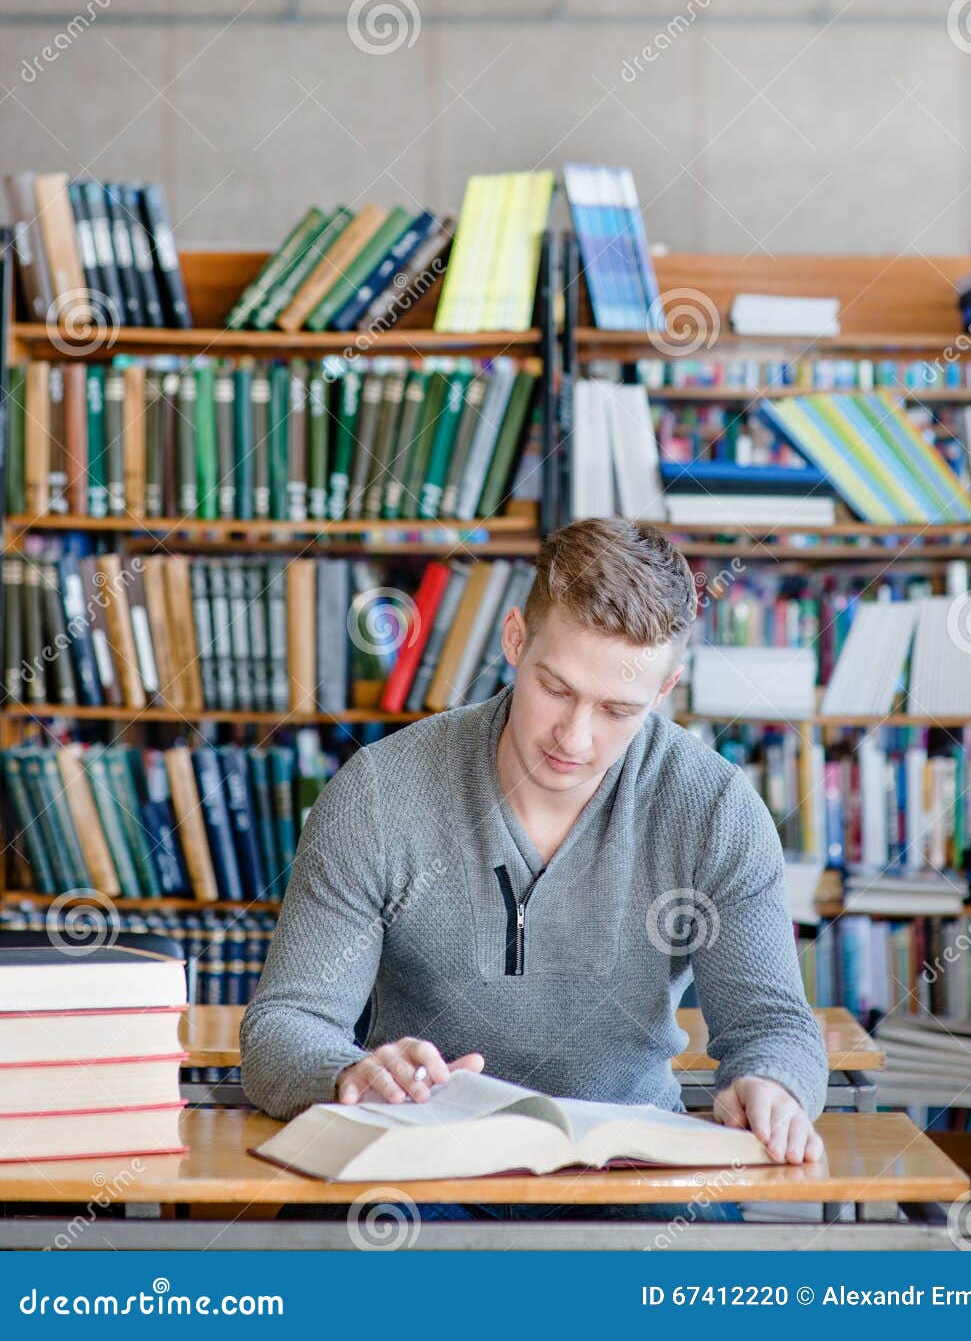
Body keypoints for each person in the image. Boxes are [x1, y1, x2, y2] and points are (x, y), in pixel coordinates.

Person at [241, 517, 828, 1225]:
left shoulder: (714, 809)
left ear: (665, 689)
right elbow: (284, 1027)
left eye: (617, 710)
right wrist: (346, 1073)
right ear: (515, 640)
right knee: (343, 1241)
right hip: (423, 1162)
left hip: (628, 1172)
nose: (574, 738)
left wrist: (774, 1083)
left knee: (701, 1260)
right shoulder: (378, 793)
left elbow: (774, 1023)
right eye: (556, 688)